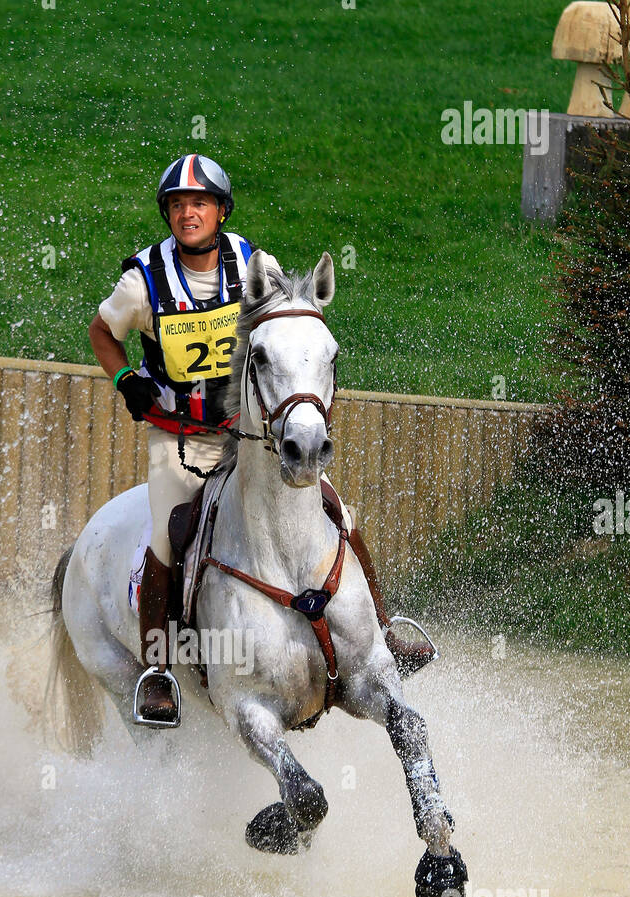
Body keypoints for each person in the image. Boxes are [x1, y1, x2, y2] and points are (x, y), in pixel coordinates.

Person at [89, 155, 434, 723]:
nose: (188, 214)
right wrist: (127, 379)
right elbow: (102, 331)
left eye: (199, 204)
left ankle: (387, 631)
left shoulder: (253, 263)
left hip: (253, 433)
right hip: (185, 437)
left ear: (221, 211)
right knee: (170, 536)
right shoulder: (143, 279)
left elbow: (285, 325)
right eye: (177, 205)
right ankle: (157, 671)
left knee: (335, 511)